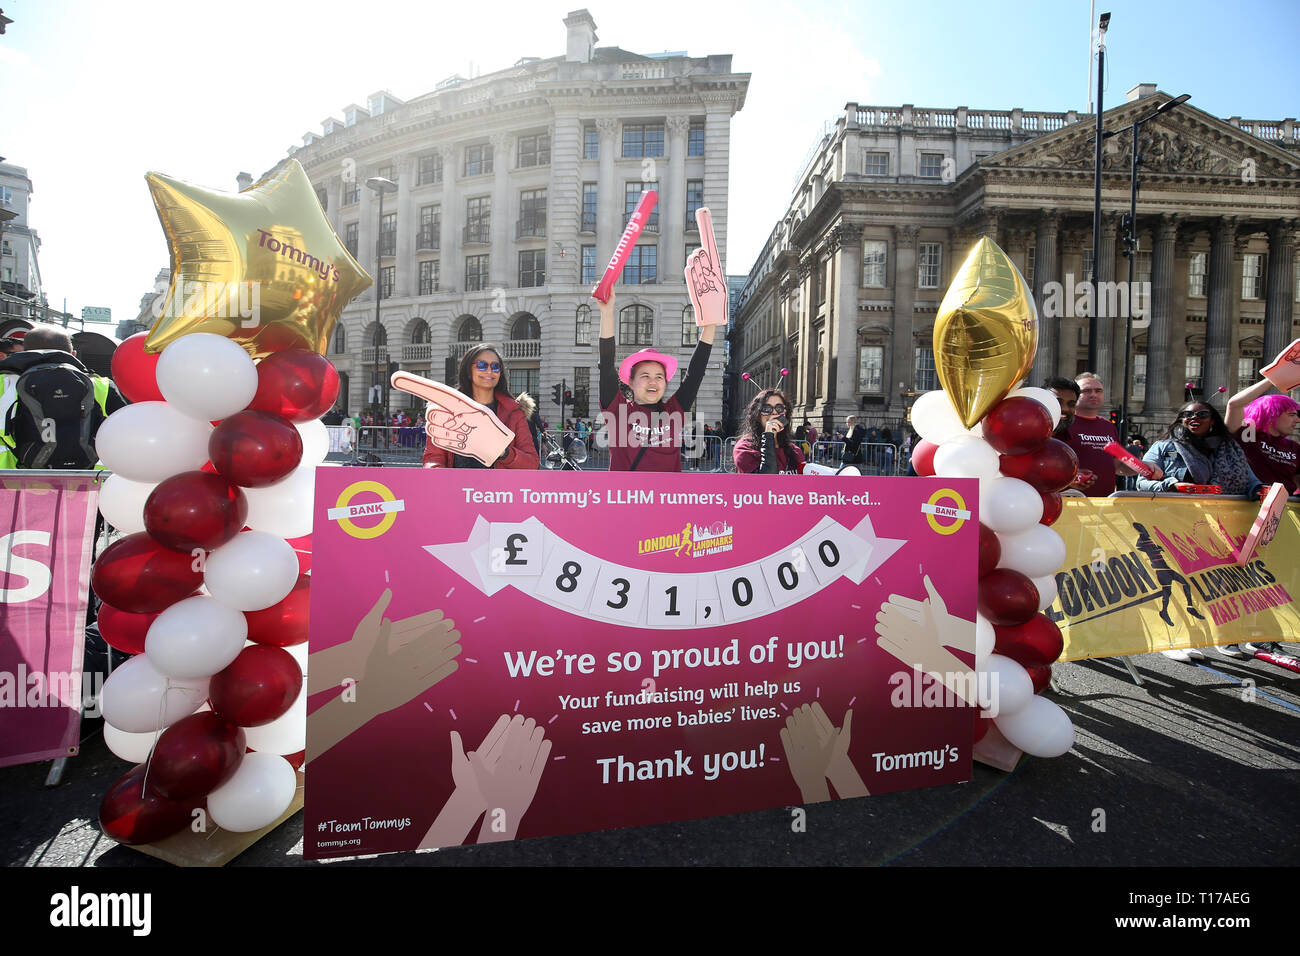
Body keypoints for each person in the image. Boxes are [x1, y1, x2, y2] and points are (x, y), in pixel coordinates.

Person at [1139, 400, 1266, 662]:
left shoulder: (1231, 448)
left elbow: (1251, 481)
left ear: (1213, 420)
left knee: (1218, 585)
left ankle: (1222, 637)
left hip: (1221, 529)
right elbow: (1141, 480)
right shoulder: (1164, 447)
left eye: (1201, 414)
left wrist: (1257, 491)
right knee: (1180, 585)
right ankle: (1173, 639)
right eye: (1186, 414)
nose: (1192, 418)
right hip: (1175, 526)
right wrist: (1172, 485)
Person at [597, 290, 717, 472]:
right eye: (645, 376)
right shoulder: (618, 411)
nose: (653, 382)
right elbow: (606, 367)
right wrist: (606, 313)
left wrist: (710, 325)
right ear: (630, 382)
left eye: (659, 377)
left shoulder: (674, 411)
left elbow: (695, 373)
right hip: (626, 498)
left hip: (667, 499)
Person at [0, 324, 126, 469]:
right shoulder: (101, 385)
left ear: (25, 352)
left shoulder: (4, 384)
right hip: (90, 483)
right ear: (73, 354)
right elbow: (125, 431)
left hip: (12, 482)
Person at [421, 344, 539, 469]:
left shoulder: (514, 413)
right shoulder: (446, 411)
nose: (489, 371)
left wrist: (504, 453)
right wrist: (437, 476)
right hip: (455, 486)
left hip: (497, 488)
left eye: (495, 366)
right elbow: (433, 458)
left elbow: (532, 464)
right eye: (481, 365)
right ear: (468, 371)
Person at [1067, 373, 1143, 496]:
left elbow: (1117, 466)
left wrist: (1144, 467)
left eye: (1098, 391)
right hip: (1072, 501)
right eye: (1086, 391)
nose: (1093, 394)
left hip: (1104, 503)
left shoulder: (1108, 426)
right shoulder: (1063, 424)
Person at [1226, 375, 1299, 496]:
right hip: (1249, 505)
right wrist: (1274, 376)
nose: (1297, 420)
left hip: (1285, 509)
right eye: (1291, 415)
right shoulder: (1244, 435)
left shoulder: (1294, 447)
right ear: (1271, 415)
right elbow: (1234, 404)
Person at [733, 389, 805, 474]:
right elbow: (766, 482)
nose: (774, 412)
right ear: (757, 415)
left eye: (779, 408)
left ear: (785, 413)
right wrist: (768, 436)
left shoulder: (795, 451)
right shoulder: (744, 448)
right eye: (766, 408)